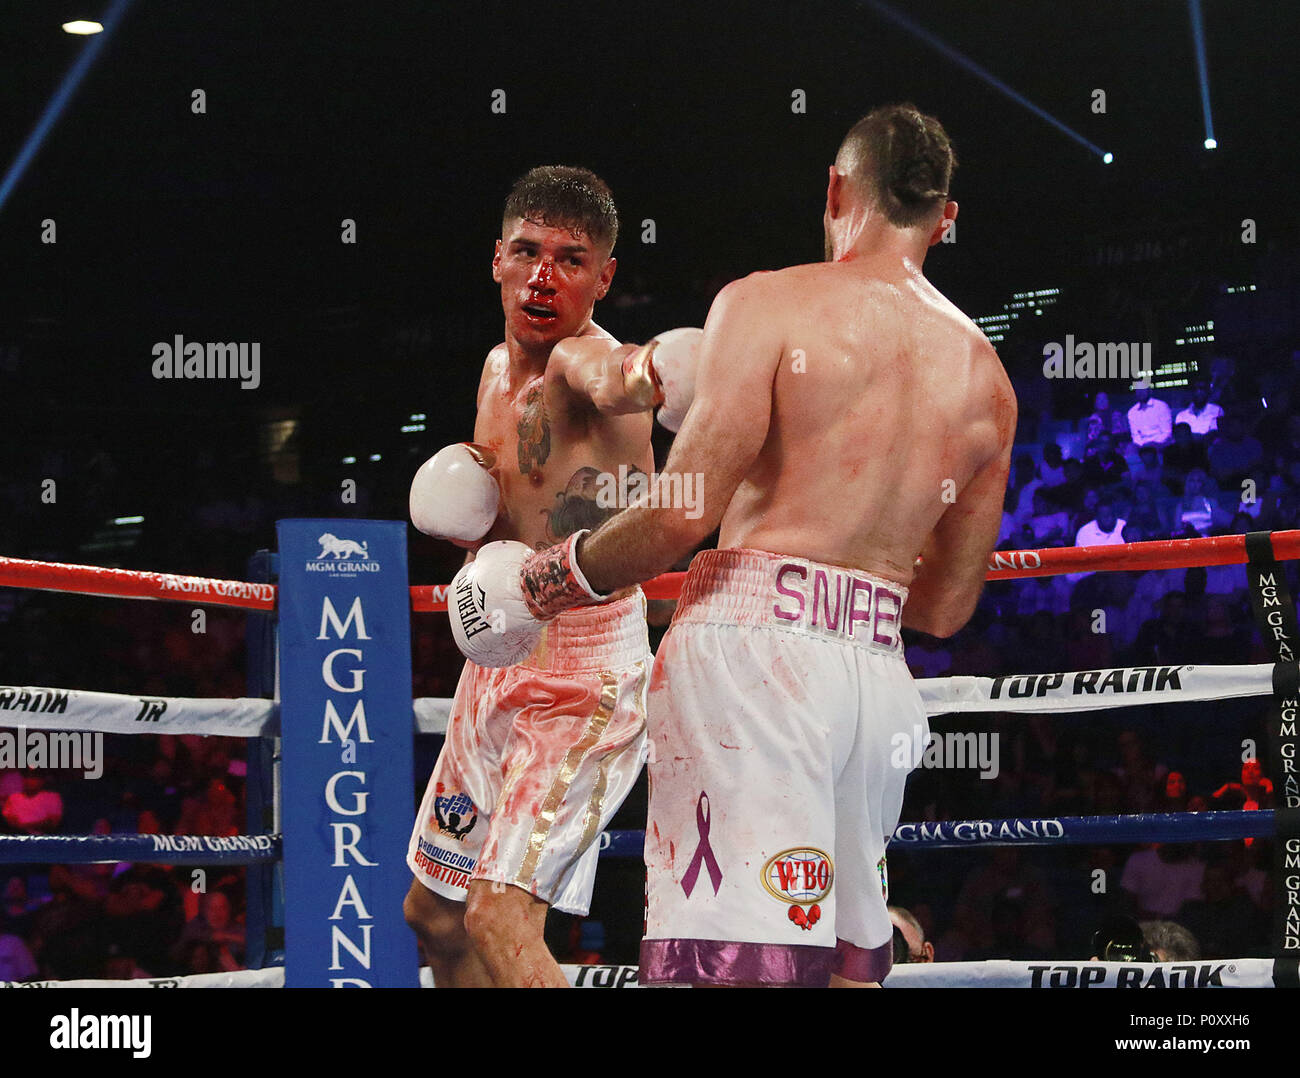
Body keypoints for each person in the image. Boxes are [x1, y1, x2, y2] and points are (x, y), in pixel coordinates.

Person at [453, 104, 1016, 986]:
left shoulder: (768, 303)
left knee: (724, 971)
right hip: (877, 675)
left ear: (836, 188)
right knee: (844, 969)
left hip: (755, 659)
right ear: (944, 216)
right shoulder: (988, 377)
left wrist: (542, 585)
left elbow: (681, 513)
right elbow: (945, 607)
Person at [403, 166, 700, 987]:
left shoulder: (585, 365)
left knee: (499, 918)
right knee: (435, 916)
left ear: (605, 277)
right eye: (528, 251)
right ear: (496, 258)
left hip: (584, 673)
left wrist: (664, 371)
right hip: (497, 657)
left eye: (571, 259)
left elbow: (619, 377)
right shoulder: (496, 367)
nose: (543, 276)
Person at [1127, 379, 1174, 449]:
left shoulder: (1161, 406)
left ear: (1149, 390)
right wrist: (1143, 445)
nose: (1140, 392)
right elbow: (1135, 435)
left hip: (1161, 444)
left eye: (1143, 389)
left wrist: (1153, 444)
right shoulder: (1132, 412)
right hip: (1142, 447)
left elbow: (1167, 432)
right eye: (1138, 390)